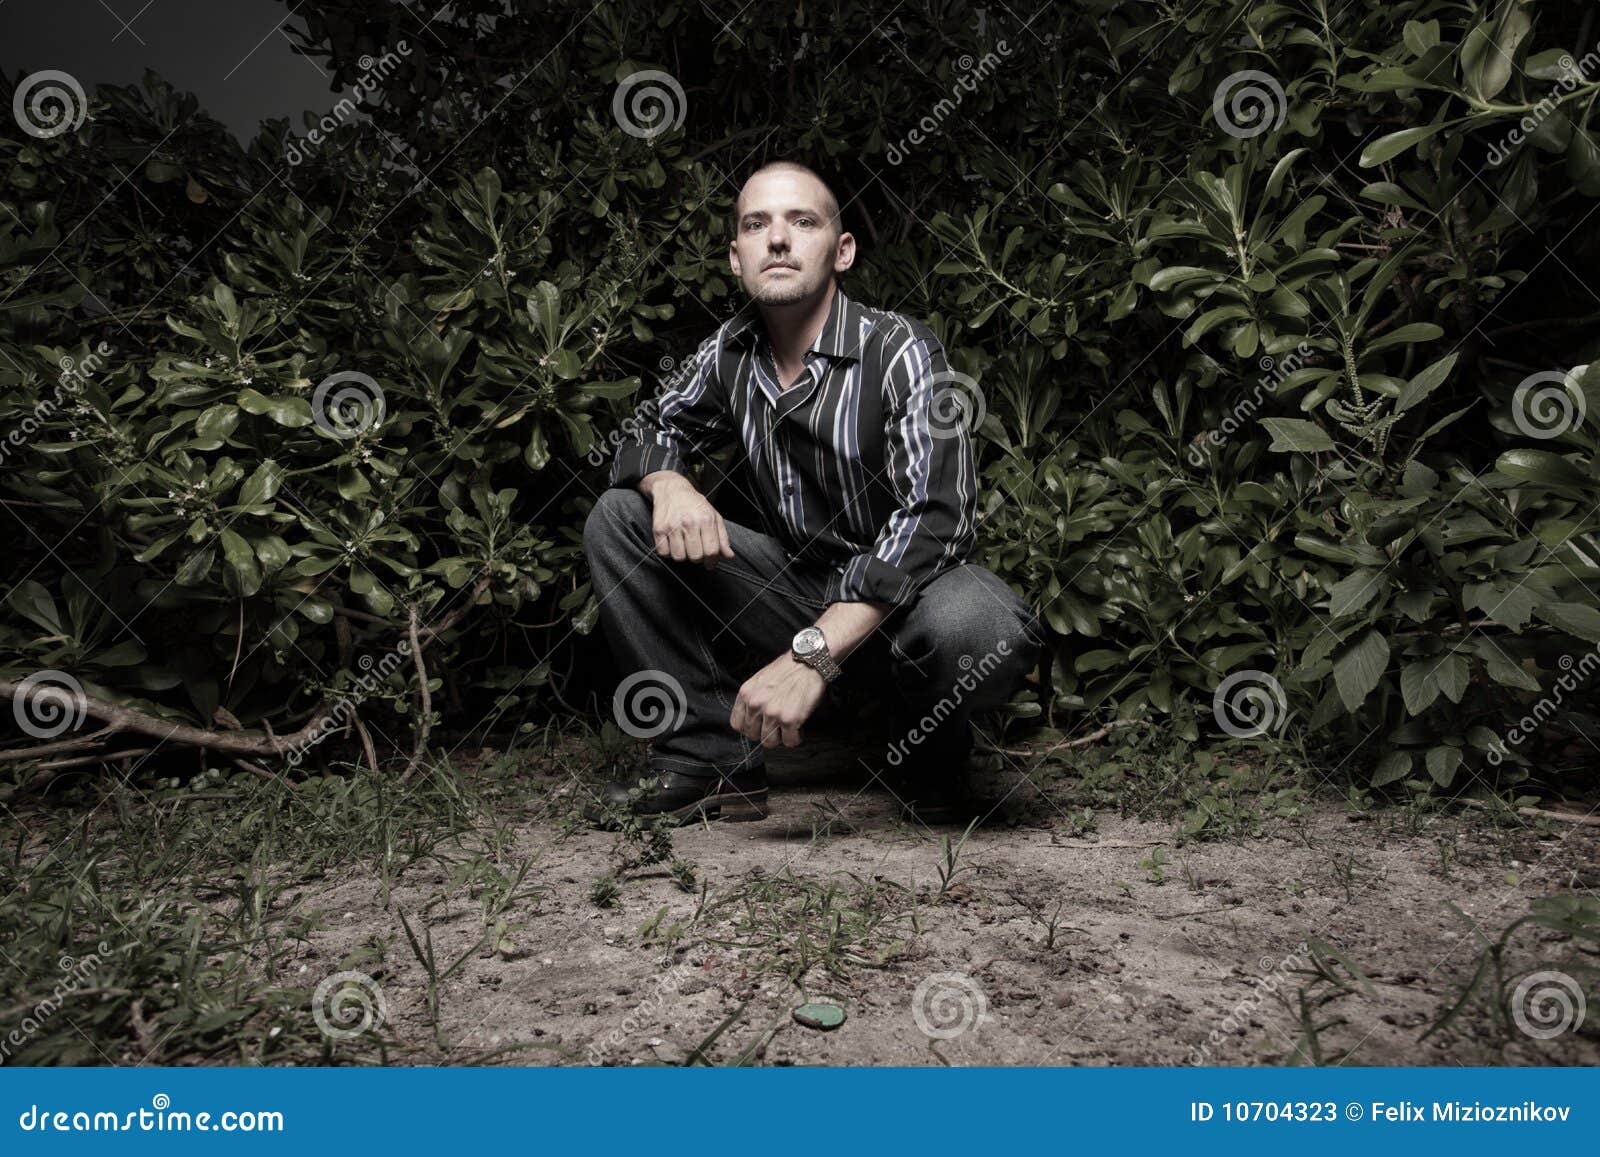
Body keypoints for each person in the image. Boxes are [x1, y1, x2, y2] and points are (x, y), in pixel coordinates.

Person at [582, 160, 1039, 826]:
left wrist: (812, 656)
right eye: (756, 225)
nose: (777, 239)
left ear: (842, 250)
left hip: (908, 608)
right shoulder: (729, 353)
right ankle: (710, 757)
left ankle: (928, 747)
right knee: (620, 517)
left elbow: (938, 519)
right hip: (796, 592)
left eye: (802, 221)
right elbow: (645, 431)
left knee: (980, 624)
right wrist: (669, 481)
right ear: (735, 258)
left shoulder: (900, 349)